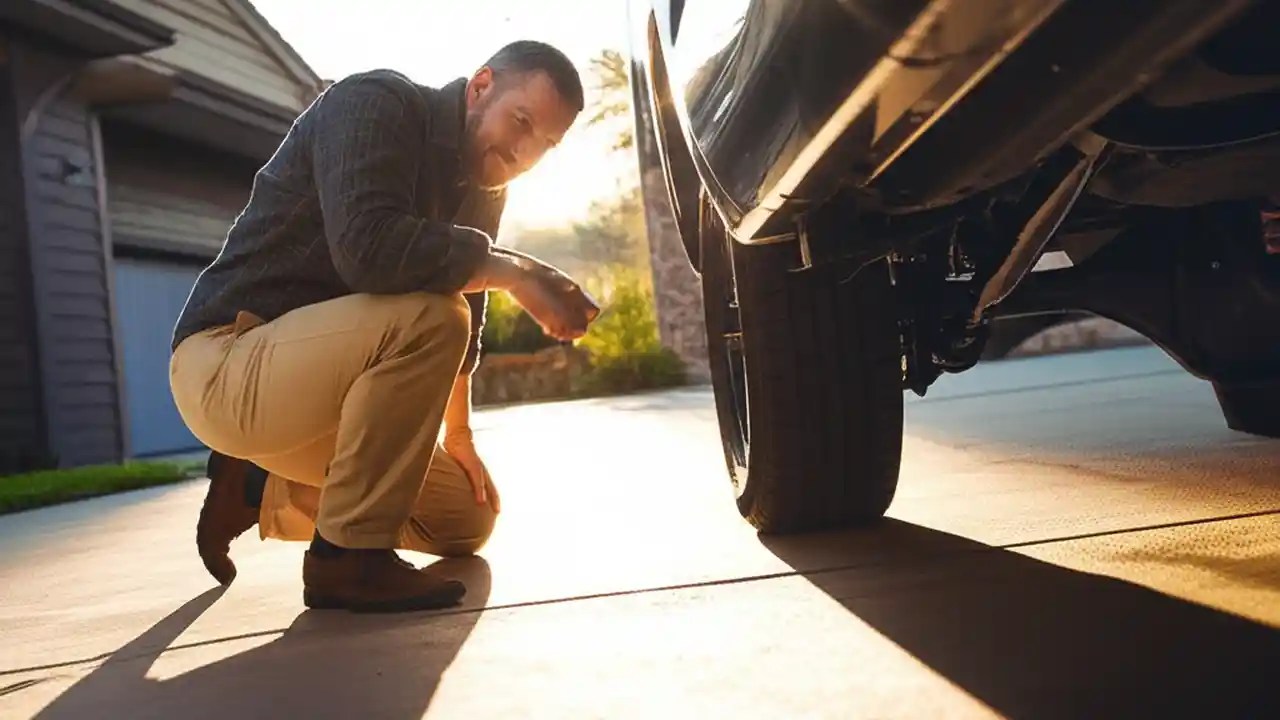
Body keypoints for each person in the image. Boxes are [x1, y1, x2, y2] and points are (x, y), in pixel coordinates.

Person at [169, 41, 597, 613]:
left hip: (319, 392)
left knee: (463, 518)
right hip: (227, 361)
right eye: (521, 122)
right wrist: (516, 272)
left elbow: (461, 330)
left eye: (545, 144)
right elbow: (369, 249)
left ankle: (253, 489)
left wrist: (460, 440)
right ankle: (345, 561)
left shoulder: (484, 186)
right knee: (434, 314)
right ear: (480, 86)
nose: (524, 153)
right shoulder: (376, 103)